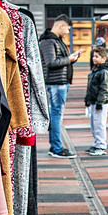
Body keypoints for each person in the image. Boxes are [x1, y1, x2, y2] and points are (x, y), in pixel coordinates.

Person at [38, 14, 82, 157]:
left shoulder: (56, 40)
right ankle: (56, 148)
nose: (68, 32)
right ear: (61, 26)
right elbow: (51, 62)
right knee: (56, 115)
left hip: (59, 82)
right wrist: (69, 59)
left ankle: (55, 146)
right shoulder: (48, 41)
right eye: (68, 29)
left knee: (56, 114)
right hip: (56, 83)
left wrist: (72, 58)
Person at [83, 45, 108, 156]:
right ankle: (97, 143)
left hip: (100, 102)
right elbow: (90, 87)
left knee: (99, 124)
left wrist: (100, 102)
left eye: (97, 56)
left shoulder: (104, 72)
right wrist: (87, 99)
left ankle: (101, 145)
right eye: (93, 56)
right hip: (93, 101)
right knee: (94, 124)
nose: (94, 58)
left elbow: (105, 89)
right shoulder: (95, 70)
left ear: (104, 58)